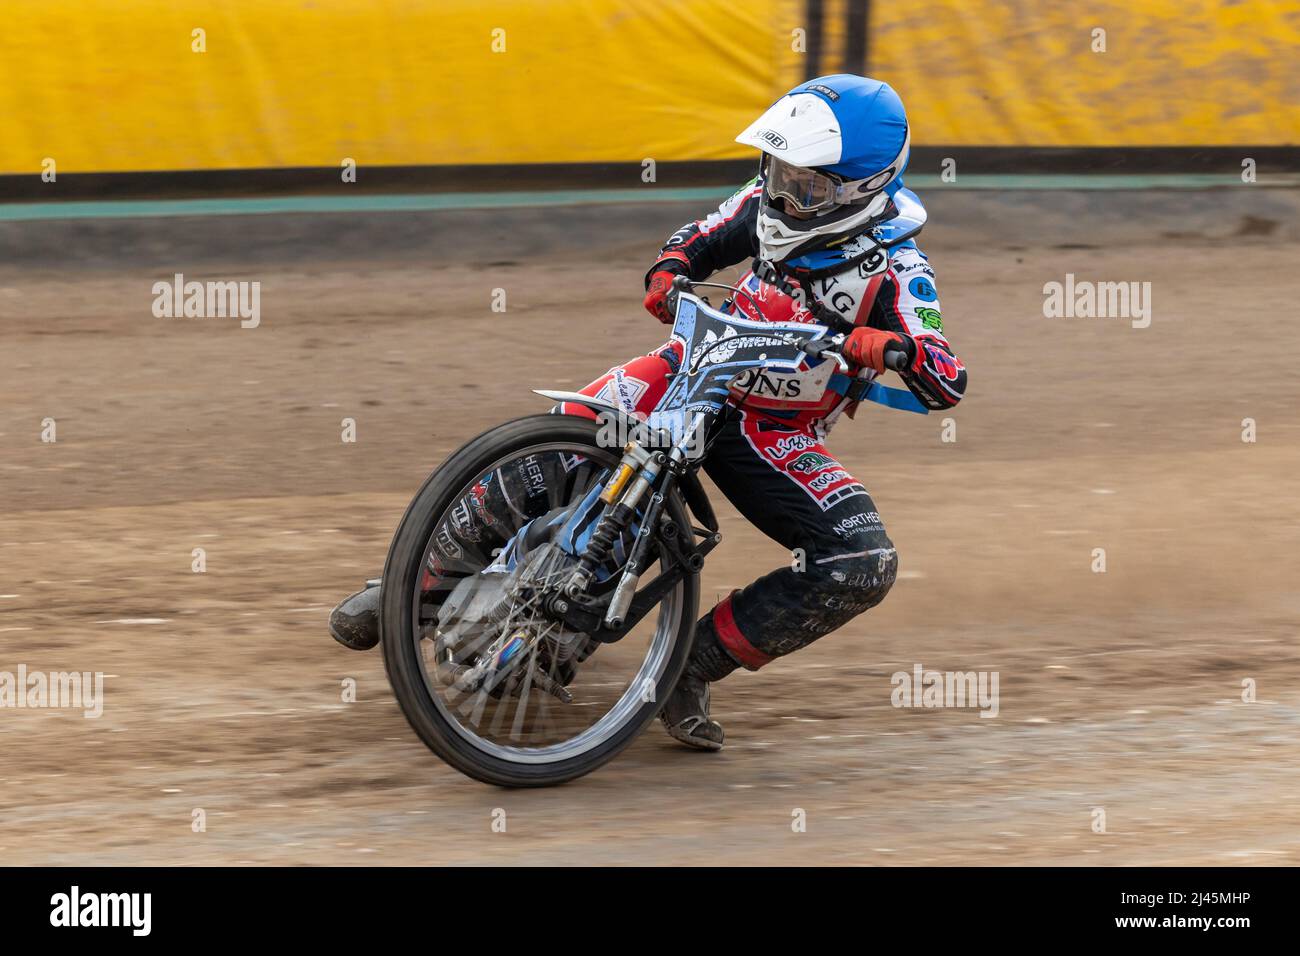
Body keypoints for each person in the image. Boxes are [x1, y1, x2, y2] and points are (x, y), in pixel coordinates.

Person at [329, 74, 967, 752]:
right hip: (691, 371)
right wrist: (668, 269)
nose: (784, 193)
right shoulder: (768, 200)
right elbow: (701, 235)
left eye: (807, 185)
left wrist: (894, 347)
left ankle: (688, 666)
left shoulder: (898, 269)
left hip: (774, 431)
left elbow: (946, 375)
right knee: (566, 436)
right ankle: (416, 584)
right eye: (779, 172)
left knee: (863, 563)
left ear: (861, 189)